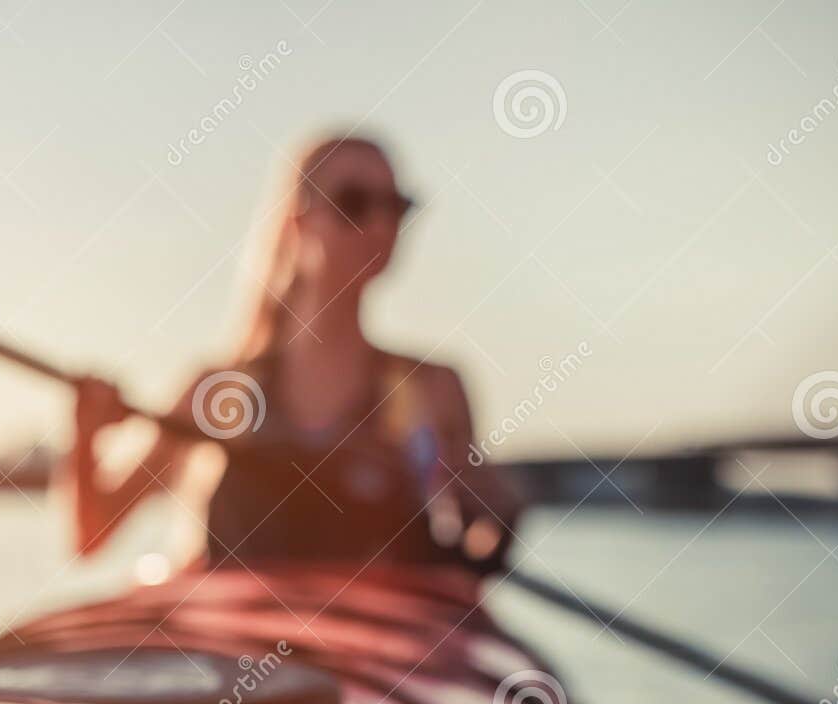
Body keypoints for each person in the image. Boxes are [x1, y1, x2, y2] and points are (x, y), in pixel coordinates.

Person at [67, 135, 520, 570]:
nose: (380, 225)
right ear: (297, 222)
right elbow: (92, 537)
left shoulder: (433, 388)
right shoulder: (220, 391)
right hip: (234, 645)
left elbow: (477, 547)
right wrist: (85, 435)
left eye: (396, 207)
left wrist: (500, 516)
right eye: (354, 203)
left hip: (373, 641)